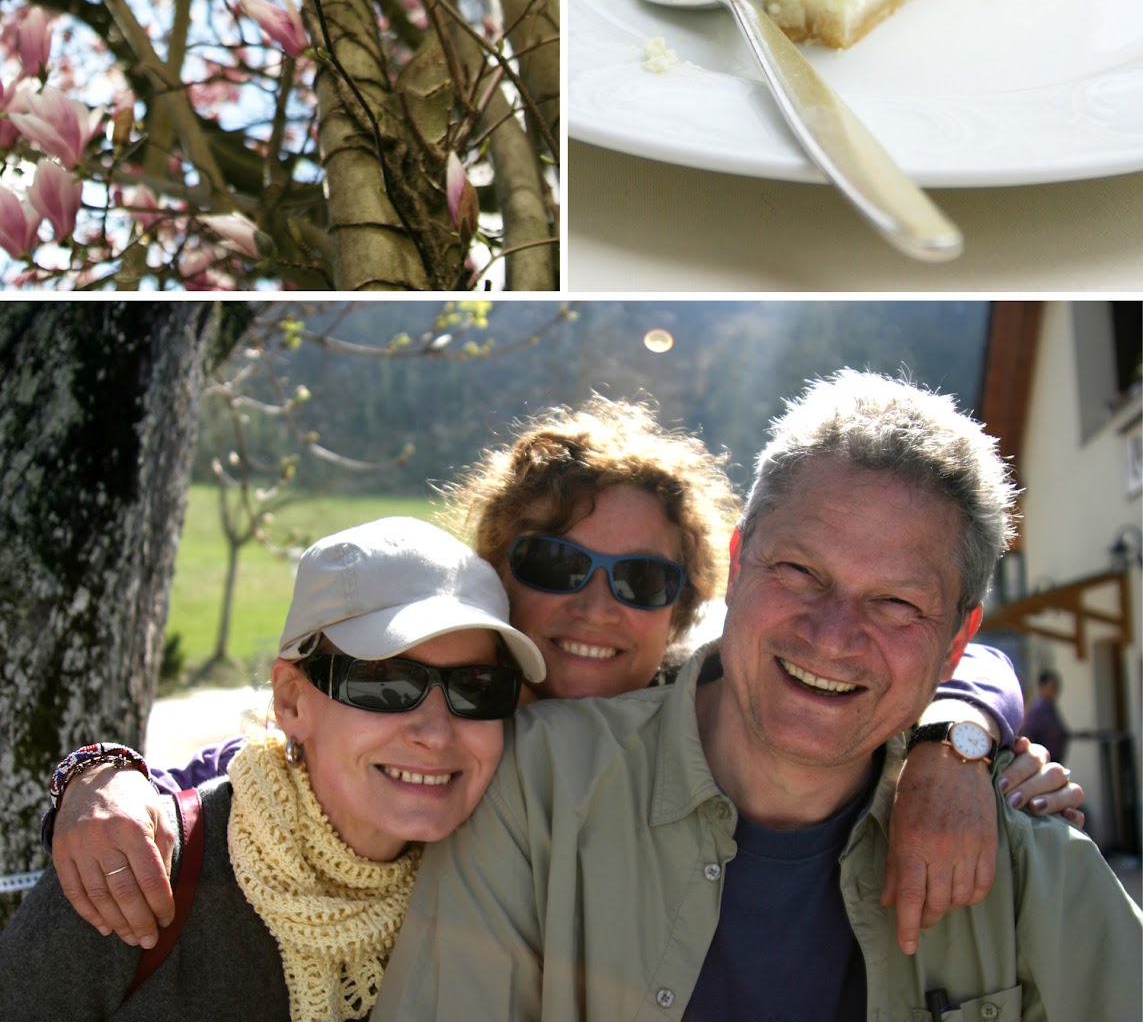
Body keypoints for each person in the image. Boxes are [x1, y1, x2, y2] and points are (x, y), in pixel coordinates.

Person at [42, 399, 1080, 960]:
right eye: (553, 564)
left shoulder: (713, 714)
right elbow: (260, 762)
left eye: (640, 579)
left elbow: (943, 647)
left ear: (688, 602)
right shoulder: (437, 713)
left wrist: (957, 739)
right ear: (494, 575)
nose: (594, 606)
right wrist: (103, 775)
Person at [373, 372, 1141, 1022]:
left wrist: (959, 739)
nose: (832, 637)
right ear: (739, 565)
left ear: (954, 639)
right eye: (800, 572)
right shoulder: (523, 783)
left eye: (896, 604)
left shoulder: (1028, 865)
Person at [0, 516, 545, 1020]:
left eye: (477, 688)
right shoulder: (131, 869)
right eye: (386, 683)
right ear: (291, 701)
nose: (436, 733)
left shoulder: (496, 897)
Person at [1019, 669, 1070, 764]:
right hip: (1042, 761)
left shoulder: (1050, 707)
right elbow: (1028, 733)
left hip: (1053, 759)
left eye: (1056, 687)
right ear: (1042, 687)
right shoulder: (1038, 709)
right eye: (1051, 687)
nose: (1055, 691)